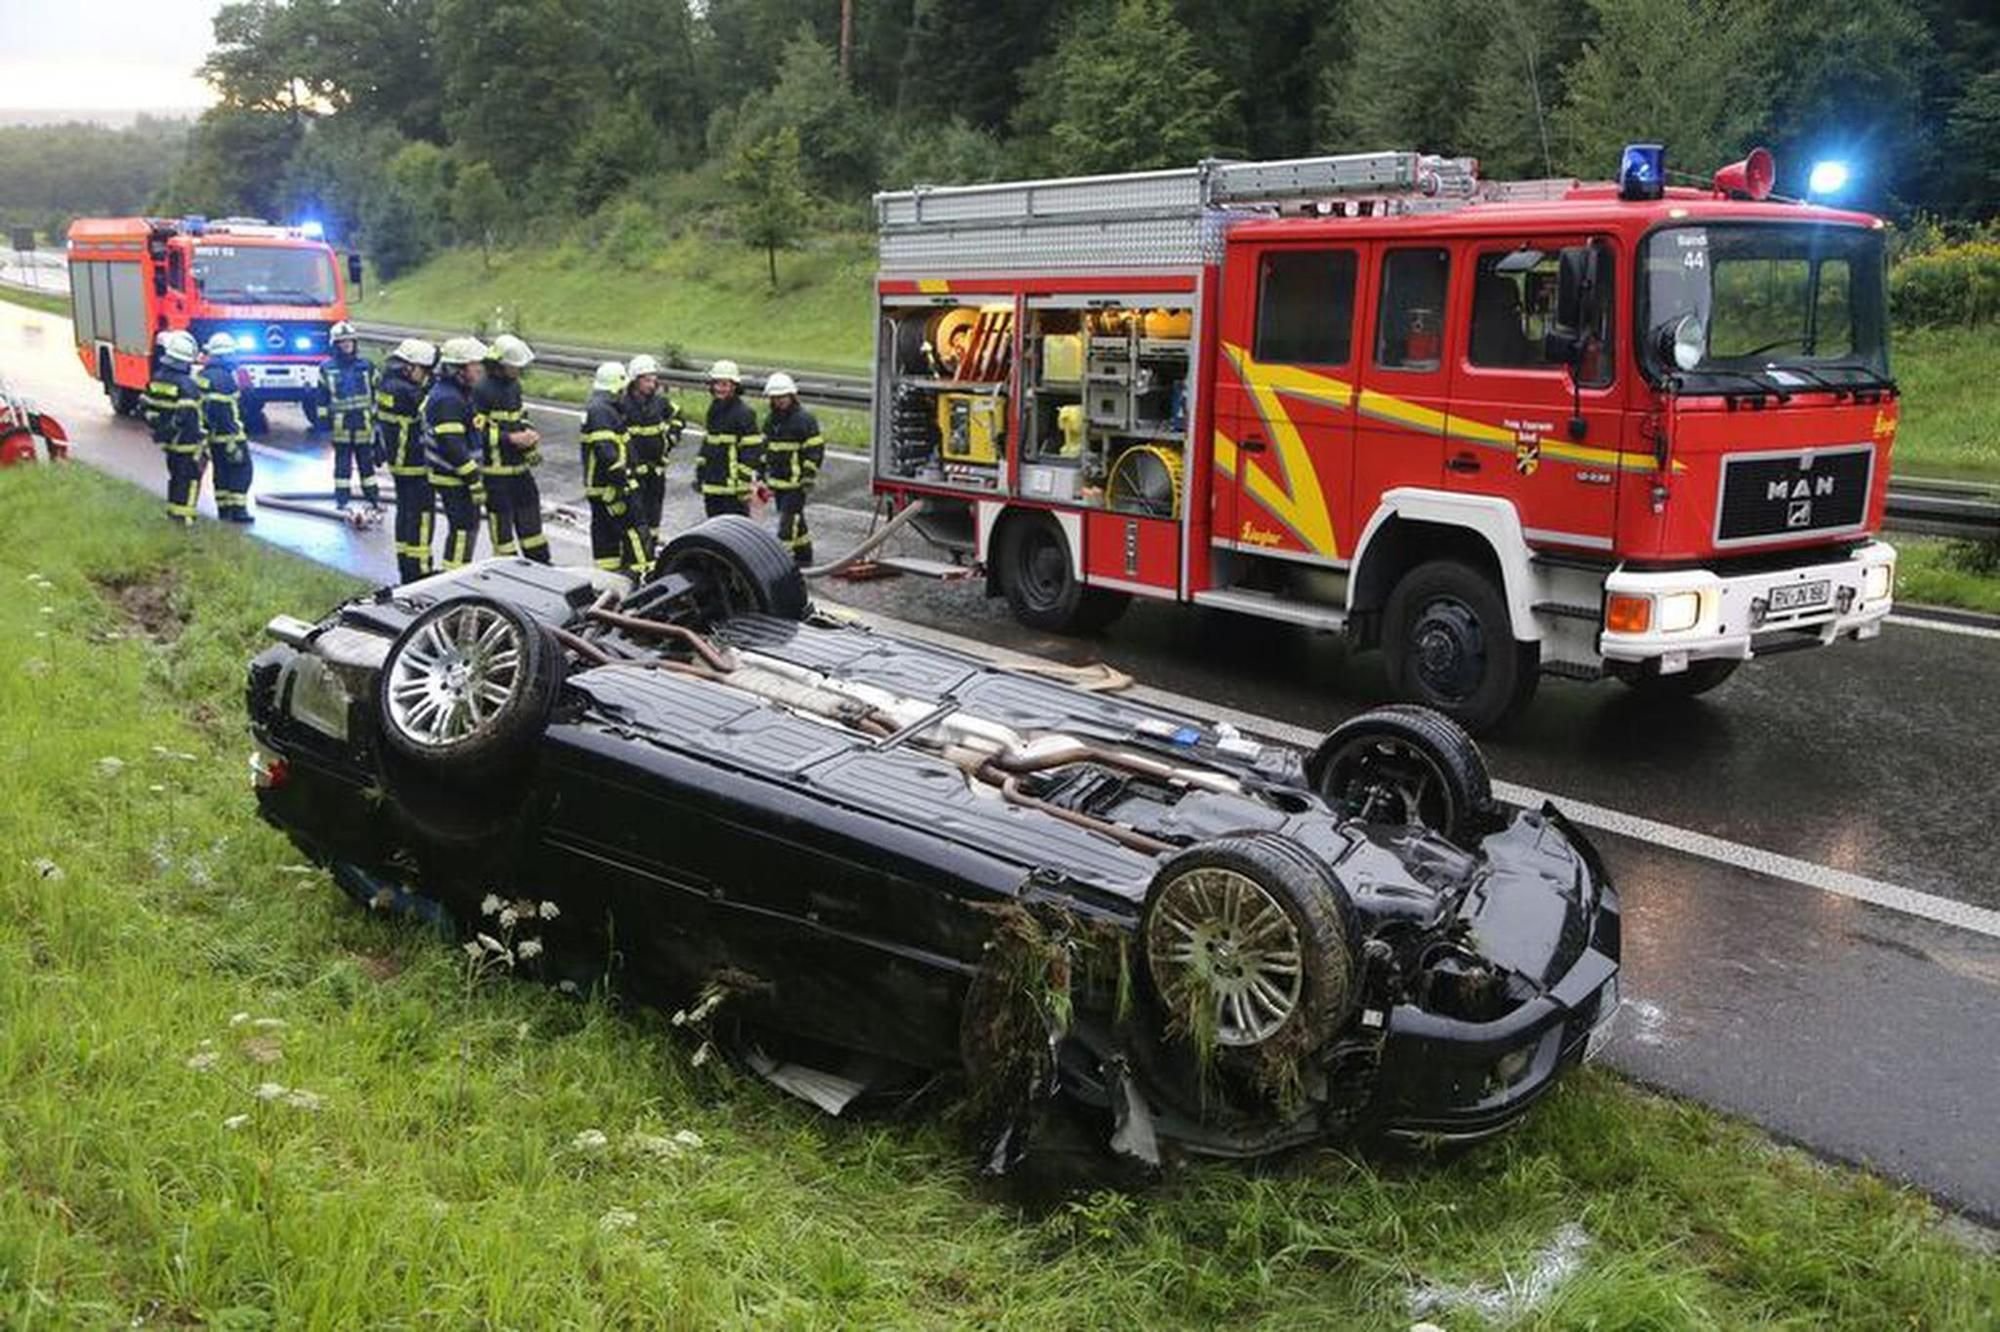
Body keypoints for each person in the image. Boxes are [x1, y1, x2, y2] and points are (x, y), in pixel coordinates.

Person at [474, 333, 550, 563]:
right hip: (495, 476)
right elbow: (476, 432)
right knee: (503, 534)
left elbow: (520, 417)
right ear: (499, 365)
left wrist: (530, 437)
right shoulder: (481, 389)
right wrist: (510, 439)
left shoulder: (514, 386)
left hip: (520, 471)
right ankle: (506, 569)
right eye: (514, 366)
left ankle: (541, 567)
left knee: (532, 528)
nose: (518, 370)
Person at [424, 336, 489, 571]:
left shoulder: (459, 393)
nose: (480, 369)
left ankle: (456, 573)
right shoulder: (448, 399)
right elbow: (453, 446)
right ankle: (455, 577)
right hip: (453, 477)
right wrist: (473, 479)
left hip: (458, 476)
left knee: (467, 528)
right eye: (474, 365)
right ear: (458, 369)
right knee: (463, 530)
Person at [580, 361, 651, 576]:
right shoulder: (602, 411)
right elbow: (606, 452)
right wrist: (622, 483)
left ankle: (607, 578)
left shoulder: (601, 408)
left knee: (605, 534)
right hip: (611, 486)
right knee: (634, 528)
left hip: (602, 486)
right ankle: (643, 576)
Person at [377, 338, 438, 583]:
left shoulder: (387, 384)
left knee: (405, 515)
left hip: (399, 463)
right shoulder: (406, 391)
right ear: (409, 367)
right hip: (415, 464)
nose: (426, 376)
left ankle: (406, 566)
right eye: (424, 370)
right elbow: (429, 406)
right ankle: (420, 572)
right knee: (421, 518)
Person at [141, 330, 207, 525]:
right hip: (188, 442)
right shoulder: (187, 385)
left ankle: (173, 512)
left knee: (176, 477)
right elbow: (187, 417)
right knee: (190, 479)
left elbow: (146, 406)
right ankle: (185, 517)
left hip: (169, 443)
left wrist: (160, 430)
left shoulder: (156, 379)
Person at [760, 371, 824, 566]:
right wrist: (762, 474)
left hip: (796, 484)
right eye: (775, 397)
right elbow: (765, 449)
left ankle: (781, 564)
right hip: (778, 483)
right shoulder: (771, 421)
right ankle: (804, 556)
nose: (779, 401)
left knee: (787, 525)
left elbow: (815, 450)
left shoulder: (804, 420)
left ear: (792, 396)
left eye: (783, 396)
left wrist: (808, 476)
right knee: (797, 520)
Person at [620, 353, 684, 542]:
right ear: (635, 380)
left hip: (656, 471)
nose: (651, 384)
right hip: (633, 472)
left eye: (653, 380)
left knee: (654, 514)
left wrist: (670, 439)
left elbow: (679, 417)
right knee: (635, 515)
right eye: (647, 380)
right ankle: (636, 550)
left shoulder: (661, 402)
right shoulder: (622, 404)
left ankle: (651, 546)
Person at [320, 320, 381, 512]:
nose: (347, 345)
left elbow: (379, 393)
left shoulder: (367, 366)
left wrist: (379, 424)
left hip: (364, 424)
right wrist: (323, 426)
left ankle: (373, 499)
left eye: (350, 341)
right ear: (335, 344)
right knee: (342, 466)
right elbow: (321, 399)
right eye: (343, 342)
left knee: (367, 465)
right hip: (341, 426)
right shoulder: (326, 368)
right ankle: (342, 500)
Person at [197, 332, 254, 522]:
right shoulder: (226, 380)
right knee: (242, 470)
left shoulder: (202, 375)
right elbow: (228, 411)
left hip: (211, 436)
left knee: (221, 472)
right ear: (225, 355)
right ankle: (238, 509)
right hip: (230, 435)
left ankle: (224, 509)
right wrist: (232, 440)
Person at [696, 358, 762, 518]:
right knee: (714, 529)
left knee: (736, 530)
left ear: (734, 386)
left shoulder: (744, 413)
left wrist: (743, 482)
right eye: (716, 384)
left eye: (724, 384)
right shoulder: (713, 410)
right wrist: (700, 474)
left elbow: (751, 452)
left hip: (734, 490)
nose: (719, 389)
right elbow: (708, 445)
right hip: (712, 486)